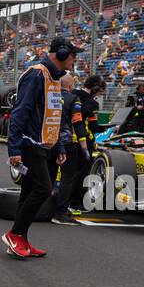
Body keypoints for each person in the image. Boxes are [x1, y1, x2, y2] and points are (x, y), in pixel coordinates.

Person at [3, 37, 79, 259]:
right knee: (43, 189)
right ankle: (15, 233)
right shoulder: (37, 74)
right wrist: (14, 149)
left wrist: (60, 146)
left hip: (47, 144)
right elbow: (20, 112)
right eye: (73, 54)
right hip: (29, 143)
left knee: (29, 191)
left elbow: (55, 116)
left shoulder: (55, 78)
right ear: (62, 54)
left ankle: (21, 239)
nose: (74, 60)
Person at [51, 72, 90, 225]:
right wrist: (84, 147)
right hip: (66, 143)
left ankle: (44, 208)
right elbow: (78, 123)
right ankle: (60, 212)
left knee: (49, 175)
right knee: (68, 177)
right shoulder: (73, 98)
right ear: (70, 85)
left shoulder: (49, 97)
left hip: (47, 141)